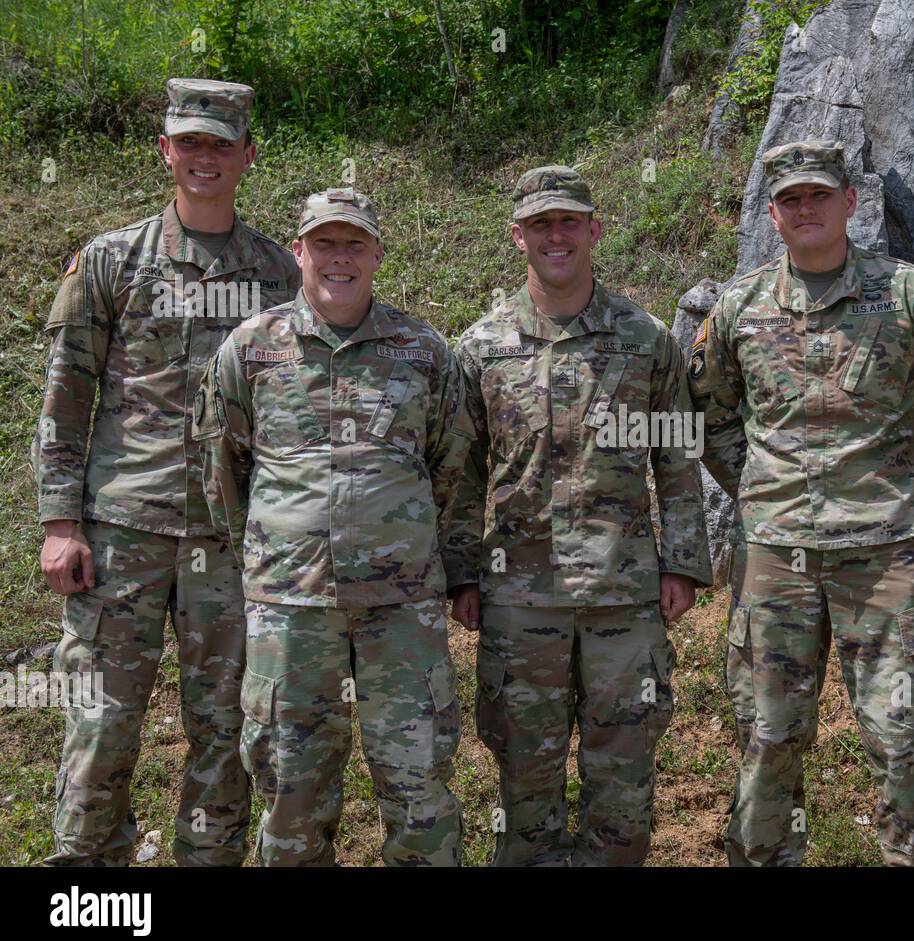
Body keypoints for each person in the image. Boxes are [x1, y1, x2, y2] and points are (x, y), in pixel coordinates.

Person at [689, 140, 914, 866]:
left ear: (850, 203)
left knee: (904, 737)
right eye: (790, 199)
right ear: (772, 214)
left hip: (887, 560)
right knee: (766, 738)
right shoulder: (740, 307)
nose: (806, 209)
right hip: (777, 559)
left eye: (819, 195)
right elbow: (705, 414)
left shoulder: (910, 295)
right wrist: (758, 486)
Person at [36, 78, 299, 866]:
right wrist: (59, 522)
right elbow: (66, 392)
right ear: (166, 151)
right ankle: (89, 881)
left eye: (221, 144)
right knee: (100, 721)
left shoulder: (279, 272)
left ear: (247, 156)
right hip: (123, 530)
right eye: (190, 143)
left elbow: (287, 410)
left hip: (227, 539)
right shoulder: (112, 261)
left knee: (224, 725)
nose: (204, 158)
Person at [196, 188, 471, 865]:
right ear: (299, 252)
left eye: (354, 244)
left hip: (401, 612)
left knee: (418, 787)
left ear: (377, 253)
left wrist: (403, 548)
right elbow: (223, 466)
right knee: (291, 790)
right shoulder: (252, 350)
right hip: (290, 610)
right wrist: (269, 553)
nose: (339, 258)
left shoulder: (424, 351)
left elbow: (453, 466)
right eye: (325, 243)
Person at [448, 166, 712, 866]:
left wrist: (683, 561)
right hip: (518, 598)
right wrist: (460, 576)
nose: (555, 236)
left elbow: (678, 457)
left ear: (595, 230)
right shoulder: (479, 348)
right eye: (541, 224)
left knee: (623, 777)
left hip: (623, 596)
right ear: (518, 237)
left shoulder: (645, 340)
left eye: (569, 222)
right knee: (525, 777)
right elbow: (460, 473)